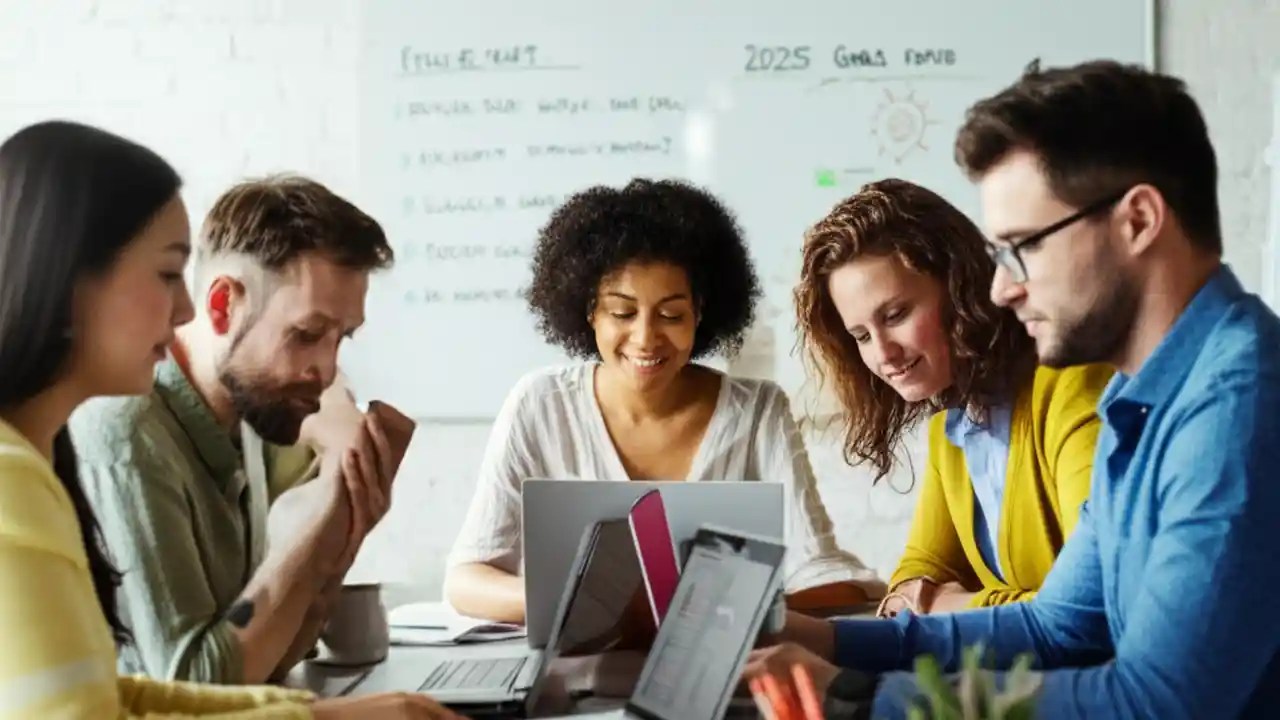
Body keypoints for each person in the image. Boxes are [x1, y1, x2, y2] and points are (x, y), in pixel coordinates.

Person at [744, 60, 1280, 719]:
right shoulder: (1136, 402)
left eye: (1023, 246)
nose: (1000, 289)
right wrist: (825, 637)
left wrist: (858, 696)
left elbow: (1158, 703)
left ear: (1137, 220)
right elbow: (1055, 626)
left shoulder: (1240, 406)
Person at [0, 121, 459, 717]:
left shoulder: (249, 426)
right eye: (167, 274)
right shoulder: (76, 454)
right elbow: (184, 681)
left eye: (339, 339)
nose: (184, 306)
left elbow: (121, 698)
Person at [444, 178, 885, 623]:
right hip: (568, 671)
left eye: (672, 315)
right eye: (622, 313)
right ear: (588, 311)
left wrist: (735, 610)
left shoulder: (757, 412)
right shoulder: (539, 404)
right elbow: (468, 577)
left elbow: (817, 566)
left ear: (701, 312)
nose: (645, 338)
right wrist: (572, 604)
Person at [67, 174, 403, 686]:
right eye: (307, 334)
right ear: (224, 305)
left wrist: (343, 533)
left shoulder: (253, 412)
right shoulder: (128, 433)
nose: (327, 369)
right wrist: (315, 526)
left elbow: (270, 661)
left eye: (341, 338)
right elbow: (195, 689)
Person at [794, 178, 1111, 614]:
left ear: (959, 286)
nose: (884, 353)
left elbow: (1099, 603)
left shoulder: (1074, 388)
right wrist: (934, 599)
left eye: (896, 314)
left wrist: (945, 604)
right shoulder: (953, 427)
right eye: (862, 335)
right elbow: (912, 578)